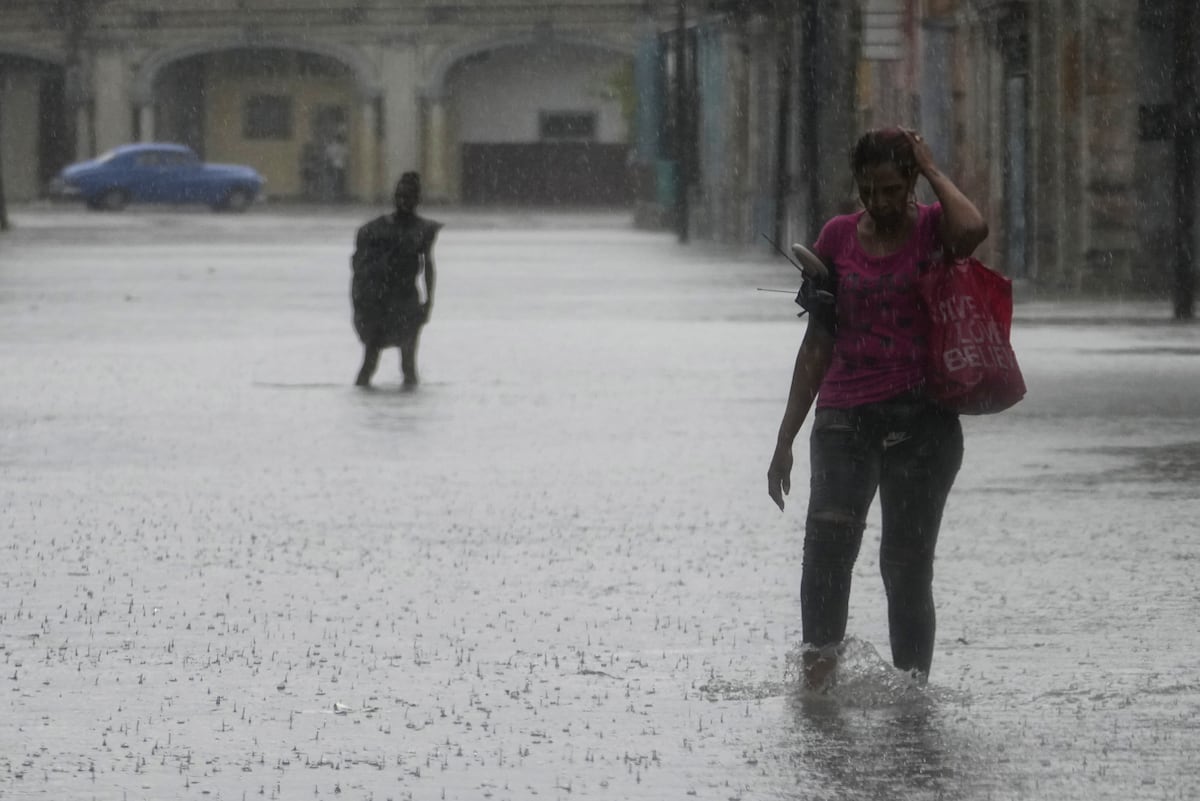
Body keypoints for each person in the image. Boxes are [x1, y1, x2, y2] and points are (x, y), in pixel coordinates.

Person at [766, 128, 988, 689]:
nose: (880, 202)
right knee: (825, 555)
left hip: (923, 425)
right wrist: (785, 439)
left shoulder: (937, 229)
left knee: (906, 568)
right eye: (868, 190)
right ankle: (816, 691)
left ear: (911, 182)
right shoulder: (837, 239)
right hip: (844, 421)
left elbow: (975, 229)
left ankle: (913, 700)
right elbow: (817, 343)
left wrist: (934, 169)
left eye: (891, 188)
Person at [351, 172, 442, 388]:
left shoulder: (423, 230)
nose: (403, 202)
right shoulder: (374, 230)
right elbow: (360, 269)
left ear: (417, 200)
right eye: (400, 196)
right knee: (369, 362)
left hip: (406, 301)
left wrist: (429, 301)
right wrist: (361, 304)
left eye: (408, 197)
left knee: (408, 365)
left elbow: (428, 266)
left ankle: (407, 411)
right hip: (379, 302)